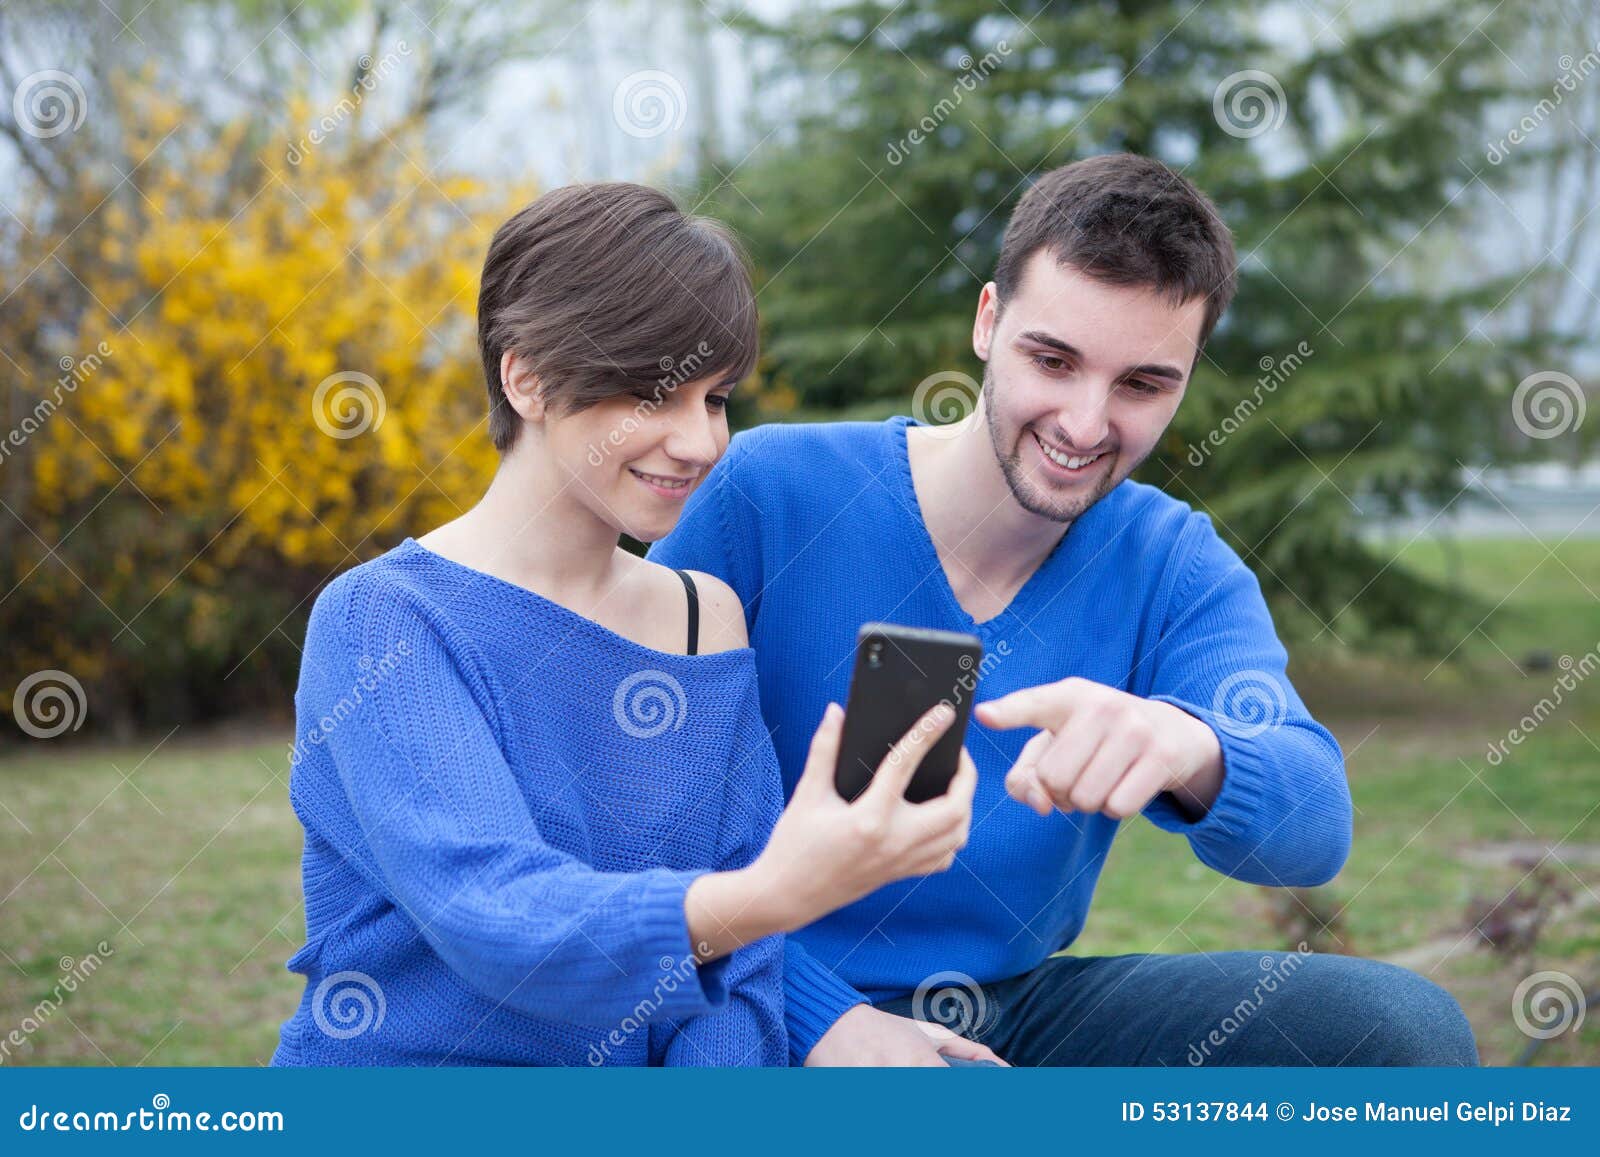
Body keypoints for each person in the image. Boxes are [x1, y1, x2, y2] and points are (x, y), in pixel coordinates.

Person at [650, 153, 1479, 1067]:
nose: (1085, 426)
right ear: (987, 322)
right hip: (755, 1004)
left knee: (1400, 1032)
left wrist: (1185, 744)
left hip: (1012, 1022)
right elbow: (622, 820)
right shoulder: (769, 496)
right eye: (1054, 360)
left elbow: (1314, 823)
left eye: (1142, 384)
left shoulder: (1171, 563)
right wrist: (825, 1021)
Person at [271, 182, 993, 1066]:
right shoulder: (385, 618)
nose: (700, 442)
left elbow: (737, 984)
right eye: (656, 394)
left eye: (717, 398)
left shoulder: (702, 617)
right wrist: (769, 891)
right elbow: (499, 918)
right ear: (525, 377)